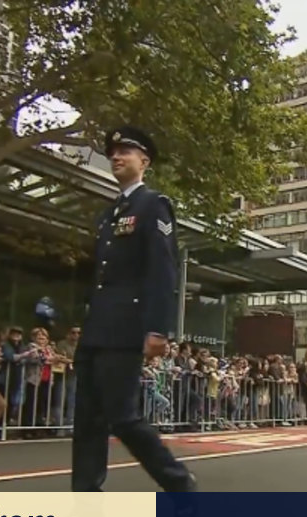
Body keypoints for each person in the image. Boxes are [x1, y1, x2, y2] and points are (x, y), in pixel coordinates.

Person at [72, 125, 197, 494]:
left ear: (144, 161)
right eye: (113, 151)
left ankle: (178, 482)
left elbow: (163, 269)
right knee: (87, 422)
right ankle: (85, 502)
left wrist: (158, 328)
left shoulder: (152, 205)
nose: (116, 156)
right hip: (97, 328)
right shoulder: (109, 213)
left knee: (123, 418)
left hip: (125, 329)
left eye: (126, 151)